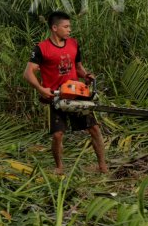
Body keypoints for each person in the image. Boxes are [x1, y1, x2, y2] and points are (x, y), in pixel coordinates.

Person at [23, 11, 107, 174]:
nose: (69, 30)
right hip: (56, 97)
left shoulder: (74, 44)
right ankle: (59, 167)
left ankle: (102, 166)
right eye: (66, 26)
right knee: (58, 135)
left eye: (70, 26)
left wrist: (86, 76)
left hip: (76, 94)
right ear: (54, 28)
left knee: (94, 129)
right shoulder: (41, 48)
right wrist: (41, 89)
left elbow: (78, 67)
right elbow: (28, 73)